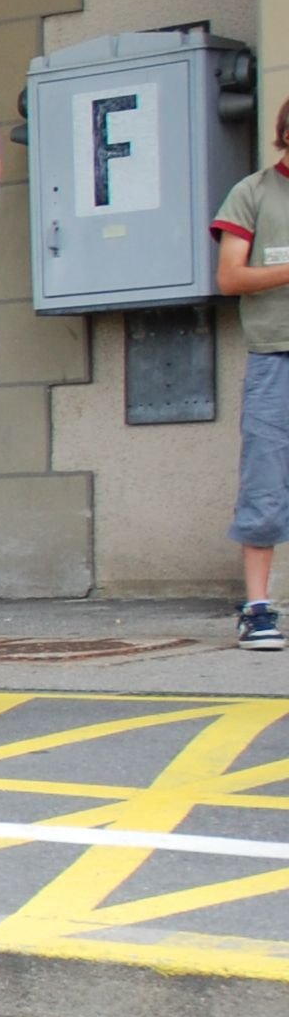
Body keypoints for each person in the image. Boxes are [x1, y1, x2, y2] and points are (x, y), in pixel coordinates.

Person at [209, 99, 289, 651]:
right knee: (264, 481)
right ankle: (258, 608)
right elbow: (230, 277)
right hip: (275, 355)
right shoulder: (254, 192)